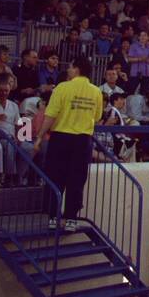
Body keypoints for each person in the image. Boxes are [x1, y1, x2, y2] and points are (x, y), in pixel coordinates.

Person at [35, 55, 104, 232]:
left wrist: (40, 136)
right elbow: (97, 117)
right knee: (77, 179)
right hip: (83, 141)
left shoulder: (62, 87)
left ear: (77, 68)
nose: (69, 70)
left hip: (61, 138)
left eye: (71, 67)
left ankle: (52, 217)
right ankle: (71, 219)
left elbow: (51, 115)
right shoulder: (96, 91)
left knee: (55, 176)